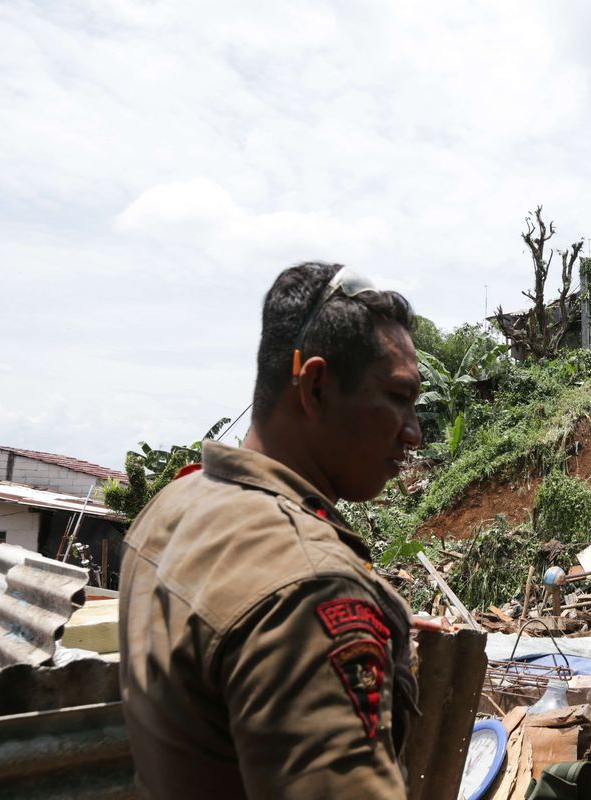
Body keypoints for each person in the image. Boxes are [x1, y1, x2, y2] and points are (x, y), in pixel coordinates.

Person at [119, 262, 423, 799]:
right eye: (398, 398)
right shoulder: (310, 588)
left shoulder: (171, 509)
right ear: (317, 387)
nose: (414, 433)